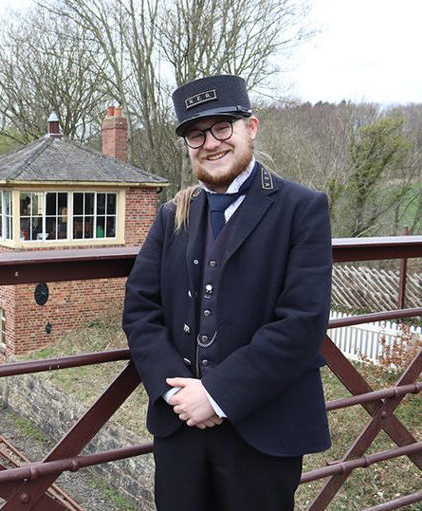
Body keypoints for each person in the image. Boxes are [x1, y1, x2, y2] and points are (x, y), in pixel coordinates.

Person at [122, 74, 332, 510]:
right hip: (180, 429)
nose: (211, 143)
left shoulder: (302, 209)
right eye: (196, 134)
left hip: (263, 428)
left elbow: (302, 322)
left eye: (223, 127)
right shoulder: (169, 216)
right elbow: (140, 310)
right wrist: (177, 394)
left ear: (250, 128)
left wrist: (218, 395)